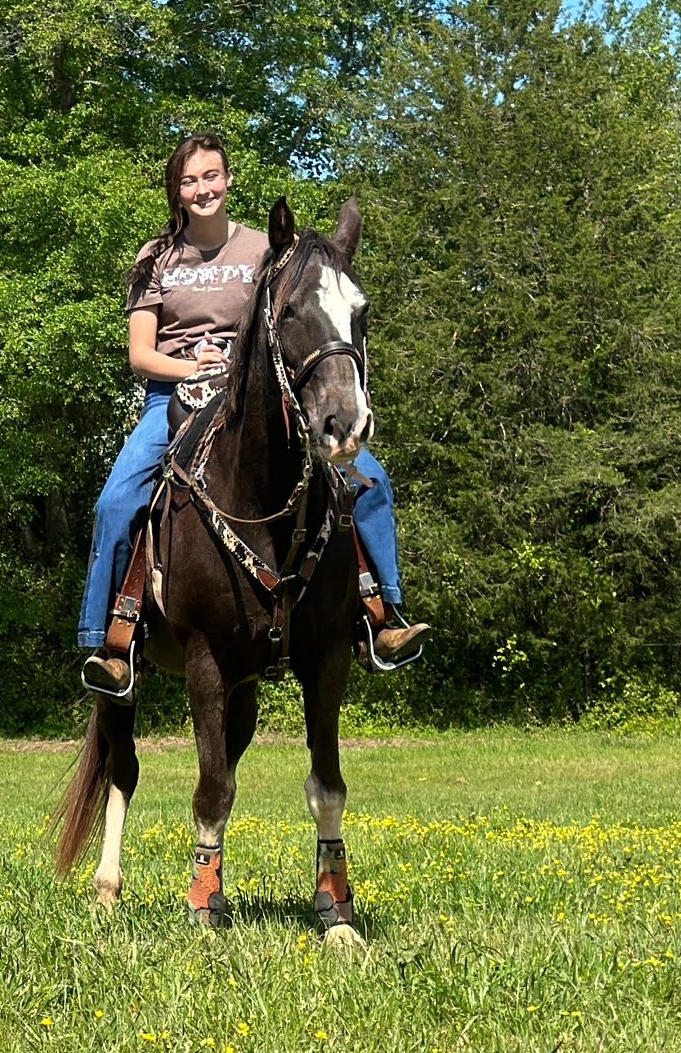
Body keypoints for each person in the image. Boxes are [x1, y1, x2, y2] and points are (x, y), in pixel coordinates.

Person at [77, 134, 426, 693]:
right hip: (174, 398)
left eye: (211, 176)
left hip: (256, 400)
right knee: (118, 500)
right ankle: (110, 641)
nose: (202, 189)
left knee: (370, 480)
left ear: (229, 179)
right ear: (177, 190)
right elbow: (140, 354)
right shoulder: (156, 258)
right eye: (189, 180)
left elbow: (297, 321)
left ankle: (382, 616)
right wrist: (188, 366)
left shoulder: (267, 251)